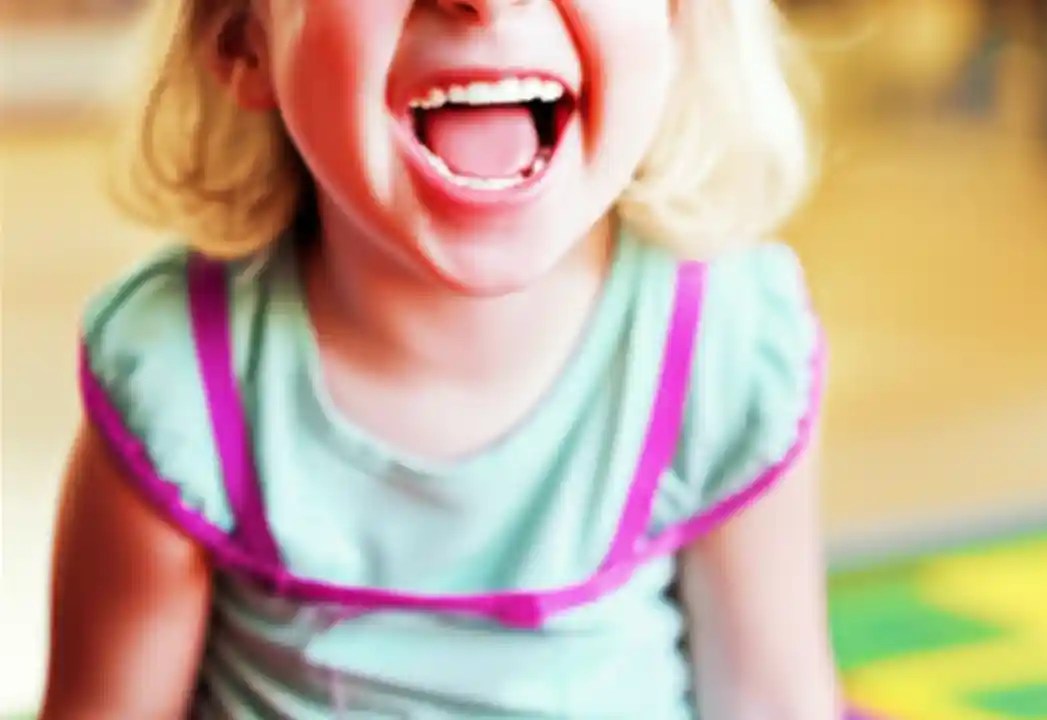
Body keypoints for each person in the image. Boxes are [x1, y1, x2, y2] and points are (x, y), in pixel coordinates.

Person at [41, 0, 840, 717]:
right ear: (242, 40)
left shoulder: (722, 345)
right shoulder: (181, 376)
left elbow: (773, 697)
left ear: (679, 21)